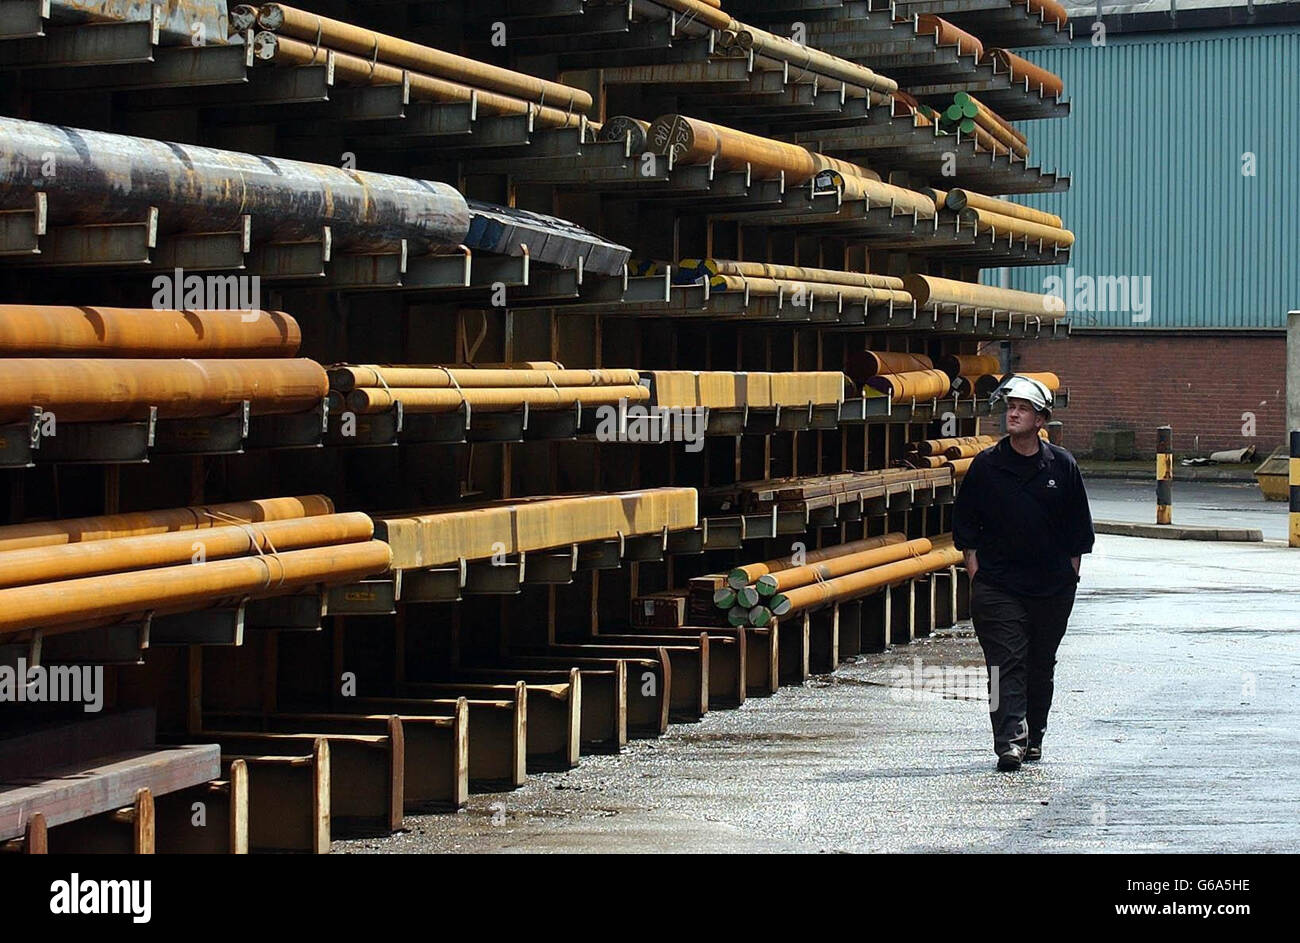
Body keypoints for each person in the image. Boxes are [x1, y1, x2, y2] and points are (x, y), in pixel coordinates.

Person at [952, 375, 1095, 772]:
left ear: (1041, 419)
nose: (1013, 414)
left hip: (1051, 588)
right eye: (1010, 407)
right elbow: (965, 527)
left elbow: (1078, 532)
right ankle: (1009, 742)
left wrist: (1070, 576)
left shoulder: (1062, 466)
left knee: (1039, 663)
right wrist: (976, 574)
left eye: (1023, 409)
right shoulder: (986, 466)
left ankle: (1035, 736)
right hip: (998, 586)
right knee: (1004, 664)